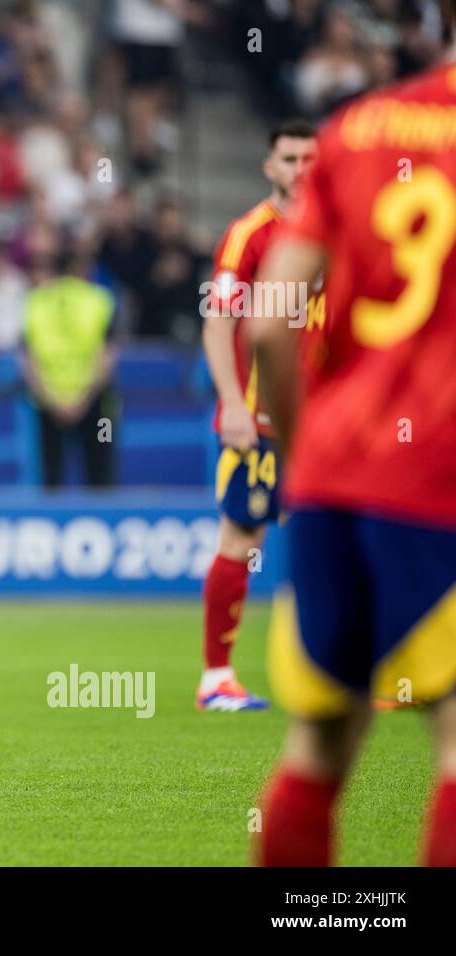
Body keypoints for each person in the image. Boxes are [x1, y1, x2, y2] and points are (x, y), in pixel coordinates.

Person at [251, 56, 456, 867]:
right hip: (439, 474)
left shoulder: (355, 127)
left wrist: (302, 464)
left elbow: (269, 323)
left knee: (319, 744)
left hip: (332, 473)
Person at [197, 119, 319, 712]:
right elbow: (218, 323)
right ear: (270, 167)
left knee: (342, 541)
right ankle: (216, 678)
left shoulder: (339, 233)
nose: (301, 170)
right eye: (290, 159)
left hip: (326, 421)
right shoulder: (249, 235)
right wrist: (235, 405)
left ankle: (350, 676)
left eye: (310, 159)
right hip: (261, 419)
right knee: (243, 537)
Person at [23, 248, 118, 488]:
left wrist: (53, 399)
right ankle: (103, 520)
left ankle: (49, 522)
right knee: (100, 471)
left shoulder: (36, 301)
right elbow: (107, 357)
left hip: (49, 400)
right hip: (95, 400)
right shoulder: (100, 299)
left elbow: (28, 360)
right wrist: (84, 399)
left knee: (51, 474)